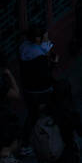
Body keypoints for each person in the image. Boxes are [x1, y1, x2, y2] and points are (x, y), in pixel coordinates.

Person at [18, 26, 56, 155]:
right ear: (38, 38)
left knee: (31, 114)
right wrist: (53, 62)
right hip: (41, 90)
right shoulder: (40, 56)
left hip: (28, 88)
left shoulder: (23, 48)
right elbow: (45, 73)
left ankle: (26, 142)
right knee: (40, 114)